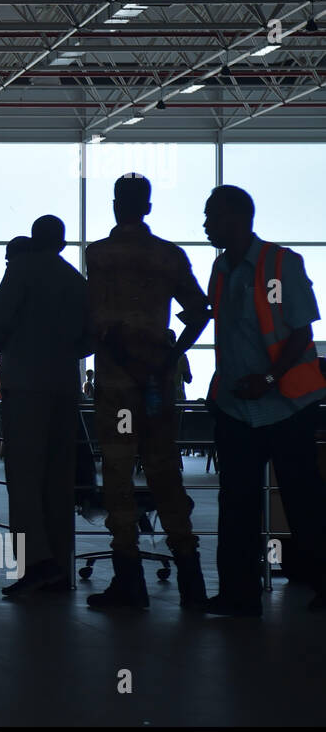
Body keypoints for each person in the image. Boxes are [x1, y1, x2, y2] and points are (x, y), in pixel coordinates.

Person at [84, 173, 211, 610]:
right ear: (149, 208)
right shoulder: (169, 257)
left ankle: (129, 580)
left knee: (118, 476)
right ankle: (191, 578)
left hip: (119, 384)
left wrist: (128, 359)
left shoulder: (99, 255)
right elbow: (199, 312)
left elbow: (97, 323)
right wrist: (170, 355)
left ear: (115, 204)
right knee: (164, 473)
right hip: (159, 384)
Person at [202, 185, 326, 616]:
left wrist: (270, 378)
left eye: (211, 218)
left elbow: (300, 332)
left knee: (303, 499)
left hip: (285, 405)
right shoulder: (221, 270)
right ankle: (239, 593)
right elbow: (228, 334)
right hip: (237, 407)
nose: (205, 226)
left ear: (235, 219)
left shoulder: (278, 265)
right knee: (236, 503)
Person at [0, 215, 92, 596]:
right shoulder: (77, 281)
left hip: (26, 386)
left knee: (25, 479)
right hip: (65, 386)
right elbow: (90, 338)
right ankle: (60, 567)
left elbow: (0, 323)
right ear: (62, 243)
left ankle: (36, 565)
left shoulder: (22, 269)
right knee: (58, 481)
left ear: (33, 238)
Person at [167, 329, 192, 402]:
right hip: (178, 397)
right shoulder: (181, 356)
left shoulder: (156, 356)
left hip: (162, 397)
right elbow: (188, 379)